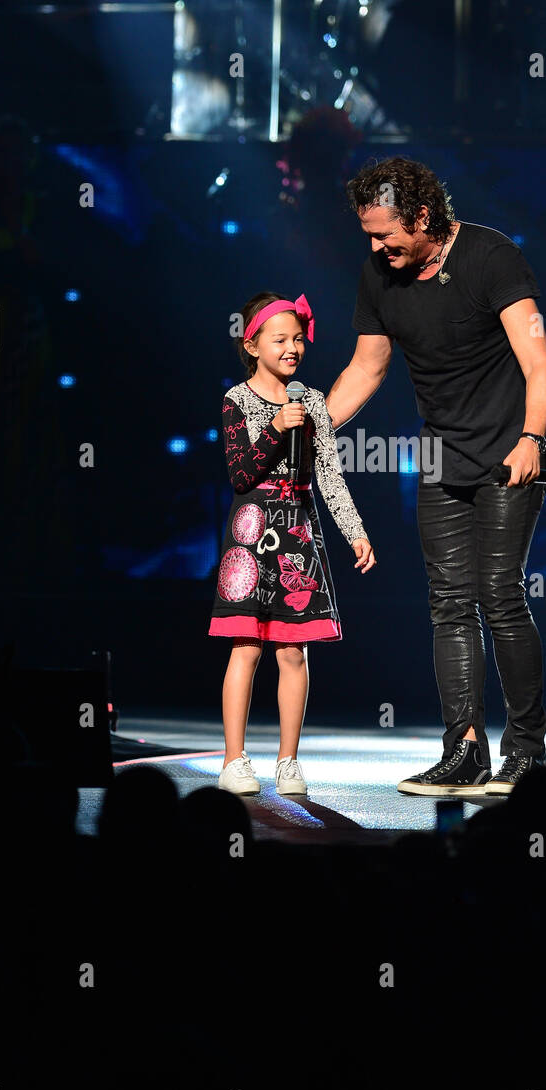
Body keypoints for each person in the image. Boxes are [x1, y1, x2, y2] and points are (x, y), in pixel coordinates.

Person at [326, 156, 546, 796]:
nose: (376, 248)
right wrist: (312, 429)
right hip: (441, 457)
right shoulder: (380, 276)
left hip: (510, 451)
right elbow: (366, 369)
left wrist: (533, 438)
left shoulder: (492, 256)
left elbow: (540, 363)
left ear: (422, 217)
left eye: (384, 234)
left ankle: (527, 754)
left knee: (499, 595)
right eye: (368, 235)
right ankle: (464, 751)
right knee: (449, 604)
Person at [209, 291, 375, 797]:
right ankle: (235, 760)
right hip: (253, 529)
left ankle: (288, 761)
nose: (292, 347)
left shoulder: (313, 402)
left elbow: (329, 475)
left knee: (293, 651)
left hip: (299, 533)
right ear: (252, 343)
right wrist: (276, 429)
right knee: (246, 646)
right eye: (280, 339)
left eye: (298, 338)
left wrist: (355, 531)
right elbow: (240, 474)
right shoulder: (237, 400)